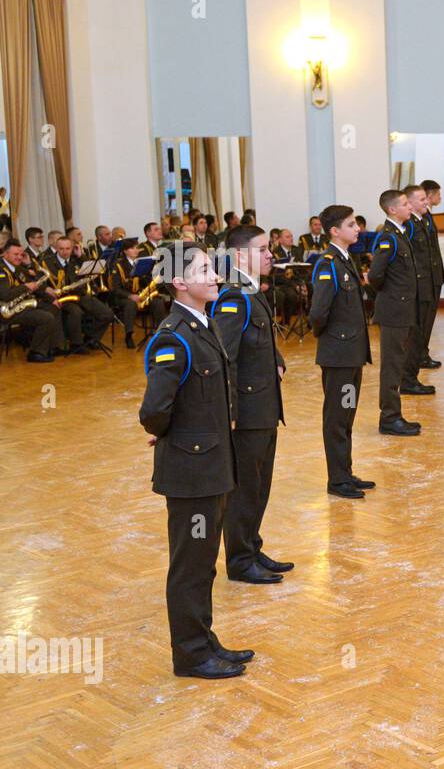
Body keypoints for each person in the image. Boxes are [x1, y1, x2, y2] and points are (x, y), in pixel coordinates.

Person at [138, 243, 251, 679]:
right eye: (205, 269)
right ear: (179, 282)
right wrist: (169, 435)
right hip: (192, 472)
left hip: (211, 467)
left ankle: (204, 639)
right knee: (190, 566)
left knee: (205, 562)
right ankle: (189, 653)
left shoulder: (202, 326)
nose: (216, 276)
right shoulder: (173, 337)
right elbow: (154, 409)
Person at [212, 225, 292, 586]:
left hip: (264, 406)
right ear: (240, 256)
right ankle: (240, 560)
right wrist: (229, 413)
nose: (271, 254)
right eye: (263, 249)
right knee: (245, 488)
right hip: (246, 411)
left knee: (259, 484)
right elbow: (224, 356)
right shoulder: (234, 296)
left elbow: (255, 336)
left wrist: (275, 356)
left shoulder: (249, 291)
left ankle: (251, 546)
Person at [309, 205, 374, 499]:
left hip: (351, 353)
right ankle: (336, 480)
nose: (357, 228)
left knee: (346, 416)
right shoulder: (328, 263)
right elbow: (319, 312)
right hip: (339, 354)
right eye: (351, 225)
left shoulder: (345, 259)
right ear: (335, 231)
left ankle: (345, 472)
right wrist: (331, 339)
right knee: (336, 418)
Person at [368, 190, 422, 436]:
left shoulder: (399, 234)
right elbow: (375, 275)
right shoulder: (387, 238)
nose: (409, 206)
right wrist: (390, 297)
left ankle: (394, 415)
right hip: (394, 311)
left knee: (398, 363)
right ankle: (389, 417)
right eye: (404, 204)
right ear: (392, 209)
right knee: (391, 366)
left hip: (403, 309)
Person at [397, 184, 436, 396]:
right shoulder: (409, 226)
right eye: (421, 200)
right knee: (414, 336)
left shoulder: (422, 220)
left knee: (421, 335)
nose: (426, 202)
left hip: (426, 285)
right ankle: (408, 379)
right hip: (417, 288)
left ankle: (412, 376)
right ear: (409, 204)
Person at [42, 235, 111, 354]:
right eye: (61, 249)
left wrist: (81, 256)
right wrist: (48, 291)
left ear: (73, 248)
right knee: (76, 312)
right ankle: (76, 343)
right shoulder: (46, 262)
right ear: (56, 248)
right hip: (62, 298)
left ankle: (90, 338)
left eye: (68, 248)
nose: (65, 252)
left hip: (79, 294)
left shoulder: (77, 259)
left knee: (107, 313)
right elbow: (40, 282)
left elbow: (92, 271)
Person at [0, 239, 62, 362]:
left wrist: (51, 300)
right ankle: (36, 353)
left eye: (20, 254)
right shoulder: (1, 270)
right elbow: (4, 295)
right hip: (7, 310)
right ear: (5, 254)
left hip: (21, 305)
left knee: (54, 307)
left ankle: (48, 346)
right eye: (15, 254)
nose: (19, 257)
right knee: (46, 318)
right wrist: (25, 287)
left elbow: (35, 286)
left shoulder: (17, 268)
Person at [417, 179, 444, 370]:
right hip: (425, 278)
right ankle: (420, 355)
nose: (440, 197)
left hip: (434, 275)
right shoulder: (416, 220)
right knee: (423, 320)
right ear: (429, 195)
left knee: (429, 320)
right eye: (437, 194)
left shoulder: (426, 216)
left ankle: (423, 354)